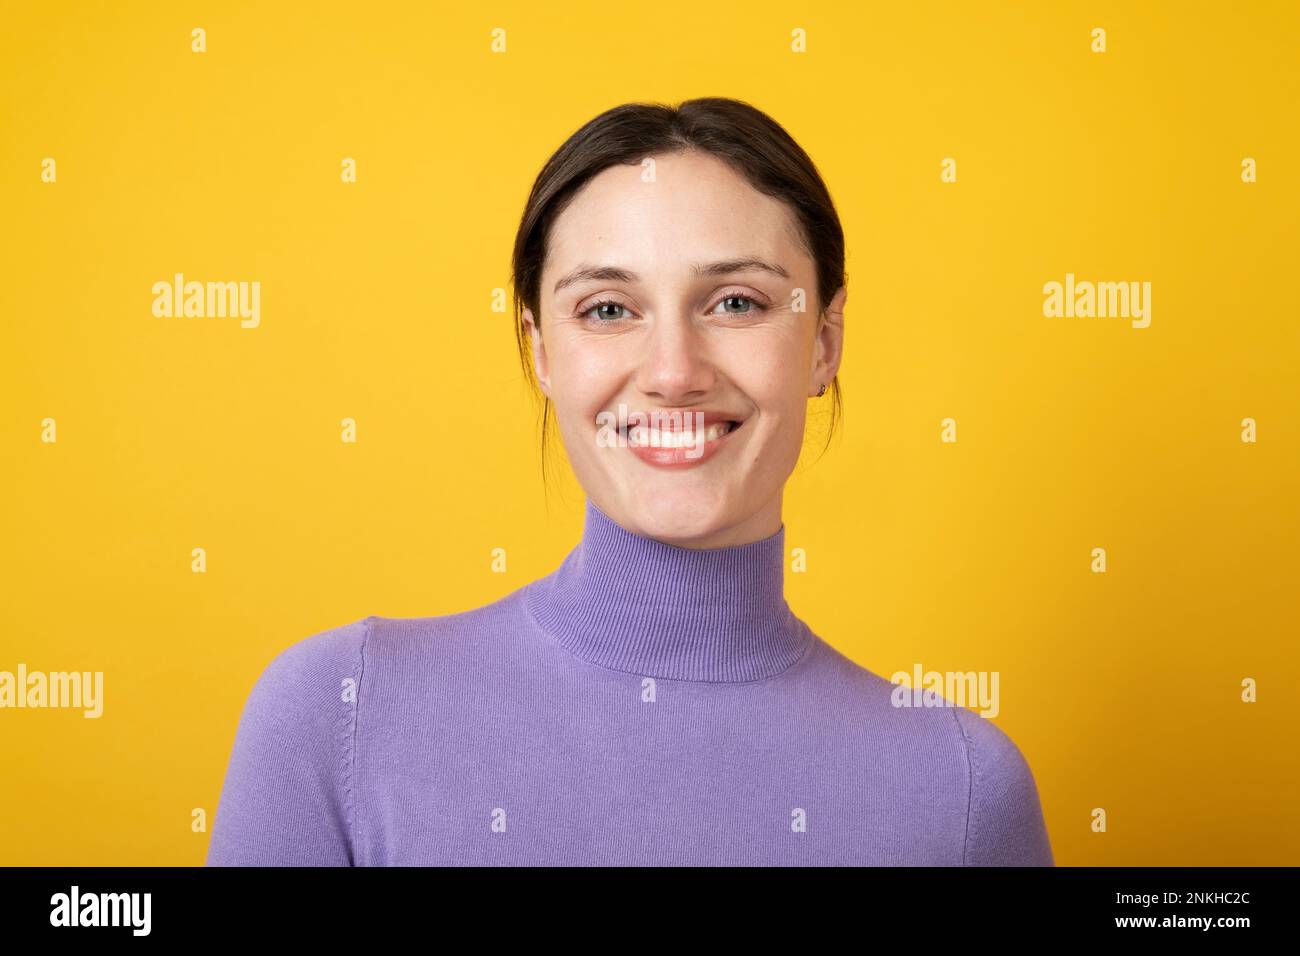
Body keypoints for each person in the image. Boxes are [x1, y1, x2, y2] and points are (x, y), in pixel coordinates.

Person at [206, 97, 1054, 866]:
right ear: (541, 350)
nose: (673, 372)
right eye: (609, 309)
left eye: (737, 303)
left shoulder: (964, 790)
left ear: (824, 342)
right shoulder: (340, 713)